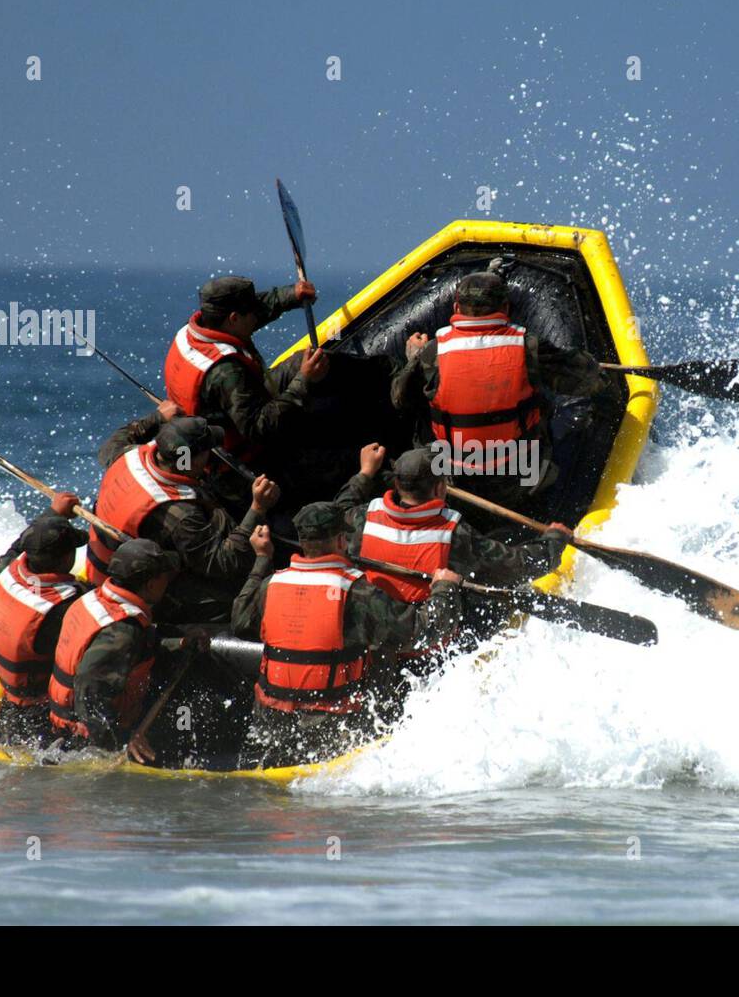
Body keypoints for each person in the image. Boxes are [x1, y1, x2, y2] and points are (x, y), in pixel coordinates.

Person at [231, 502, 463, 767]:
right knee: (382, 648)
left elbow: (239, 621)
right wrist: (444, 587)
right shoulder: (356, 591)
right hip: (332, 728)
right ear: (341, 539)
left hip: (273, 721)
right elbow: (423, 633)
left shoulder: (271, 584)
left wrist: (262, 559)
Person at [390, 270, 612, 506]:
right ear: (505, 307)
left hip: (451, 480)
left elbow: (399, 399)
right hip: (517, 479)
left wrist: (413, 359)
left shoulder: (431, 353)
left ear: (456, 308)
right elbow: (591, 380)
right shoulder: (528, 348)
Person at [89, 415, 279, 621]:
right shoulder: (180, 515)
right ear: (188, 460)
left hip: (108, 562)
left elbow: (112, 444)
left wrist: (157, 417)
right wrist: (257, 509)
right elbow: (221, 562)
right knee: (239, 594)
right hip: (142, 586)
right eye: (205, 451)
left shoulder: (127, 455)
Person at [336, 445, 572, 598]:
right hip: (430, 638)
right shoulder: (453, 537)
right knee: (500, 546)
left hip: (382, 634)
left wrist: (365, 473)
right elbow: (518, 567)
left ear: (397, 485)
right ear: (440, 488)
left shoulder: (363, 518)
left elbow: (338, 511)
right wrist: (554, 540)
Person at [49, 538, 205, 763]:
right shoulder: (121, 631)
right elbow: (90, 695)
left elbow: (135, 649)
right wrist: (123, 740)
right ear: (150, 585)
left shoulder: (94, 599)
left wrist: (180, 644)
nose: (168, 582)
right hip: (87, 737)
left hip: (67, 717)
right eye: (164, 577)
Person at [163, 275, 330, 478]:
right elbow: (260, 429)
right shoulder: (226, 371)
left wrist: (290, 295)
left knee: (307, 362)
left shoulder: (197, 329)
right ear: (233, 318)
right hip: (242, 463)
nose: (256, 316)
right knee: (331, 461)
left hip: (238, 412)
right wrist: (304, 380)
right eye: (251, 313)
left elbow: (253, 310)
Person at [0, 492, 91, 746]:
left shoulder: (7, 569)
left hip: (13, 695)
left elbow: (21, 545)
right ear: (66, 560)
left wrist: (53, 514)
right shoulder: (62, 610)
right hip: (41, 710)